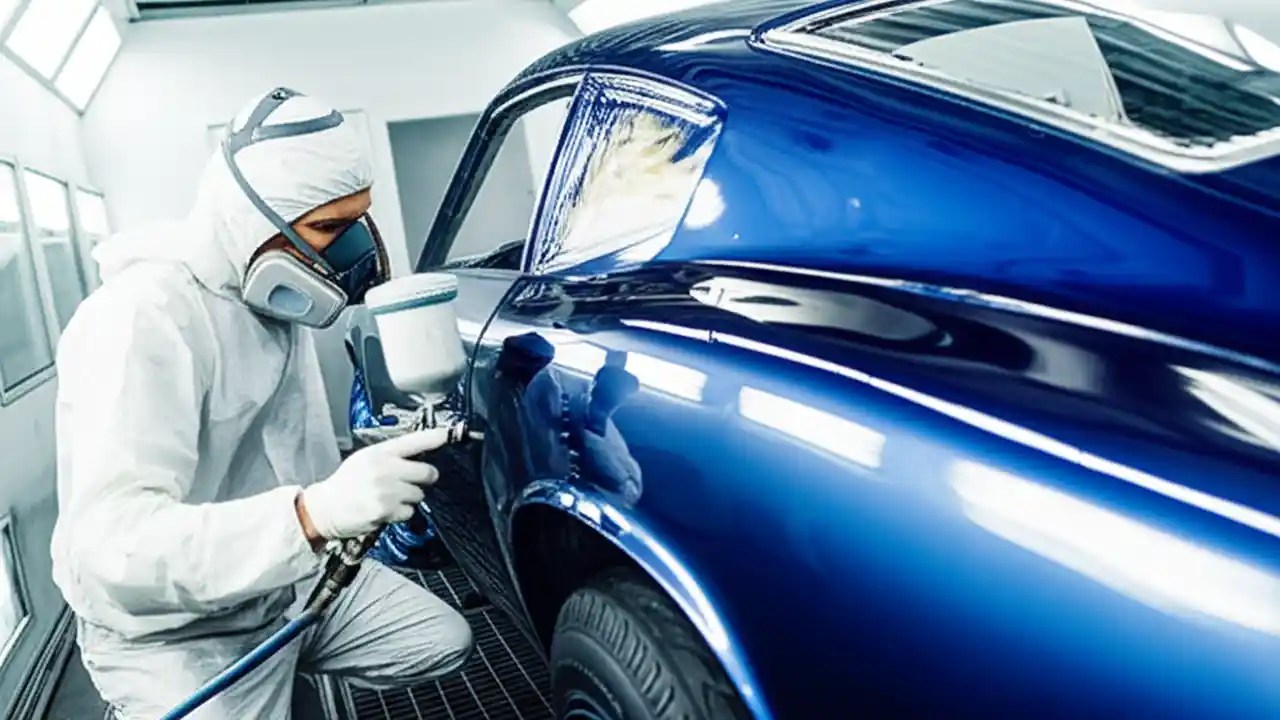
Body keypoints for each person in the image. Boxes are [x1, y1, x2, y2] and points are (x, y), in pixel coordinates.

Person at [49, 88, 473, 719]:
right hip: (174, 632)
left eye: (358, 222)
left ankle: (291, 658)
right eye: (330, 229)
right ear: (253, 221)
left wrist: (371, 459)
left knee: (442, 641)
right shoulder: (142, 319)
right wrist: (312, 514)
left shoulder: (267, 302)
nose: (353, 256)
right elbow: (111, 548)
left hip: (285, 583)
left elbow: (276, 452)